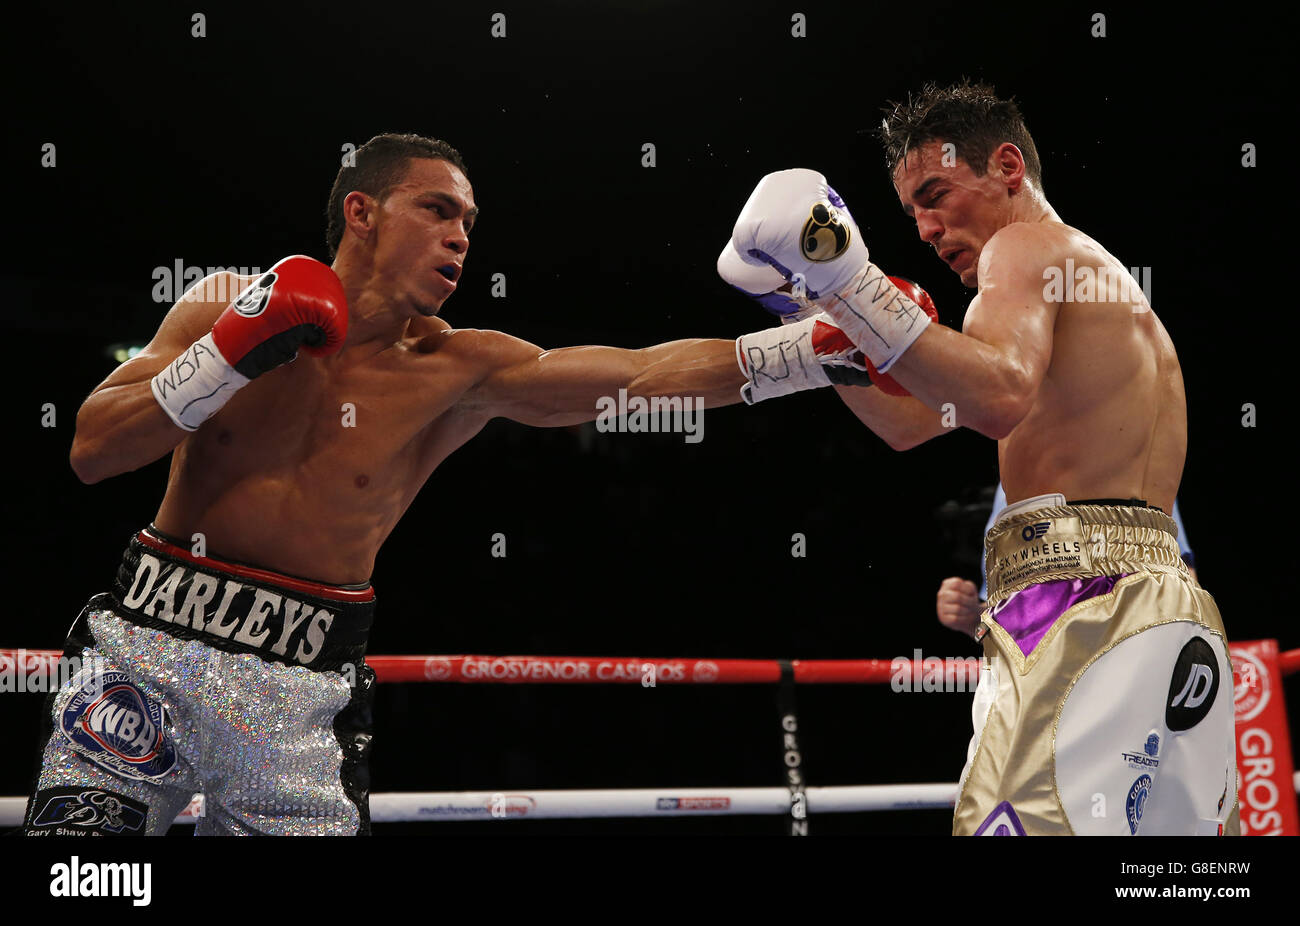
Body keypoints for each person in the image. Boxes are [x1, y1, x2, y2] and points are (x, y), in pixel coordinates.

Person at [24, 133, 815, 836]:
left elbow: (639, 376)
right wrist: (227, 355)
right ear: (362, 211)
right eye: (438, 210)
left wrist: (805, 354)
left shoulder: (458, 370)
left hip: (299, 692)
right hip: (148, 653)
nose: (461, 237)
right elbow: (92, 449)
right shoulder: (226, 305)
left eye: (469, 222)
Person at [715, 81, 1237, 835]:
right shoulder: (1097, 283)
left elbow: (997, 397)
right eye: (912, 214)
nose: (926, 228)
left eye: (937, 194)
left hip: (1080, 606)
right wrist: (816, 307)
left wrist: (851, 282)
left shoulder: (1025, 251)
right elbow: (912, 423)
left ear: (1006, 166)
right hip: (1166, 610)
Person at [937, 484, 1199, 639]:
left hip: (1125, 659)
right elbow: (1002, 621)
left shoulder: (1130, 471)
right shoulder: (1010, 489)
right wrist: (970, 618)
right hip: (1032, 686)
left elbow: (1185, 593)